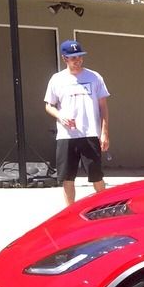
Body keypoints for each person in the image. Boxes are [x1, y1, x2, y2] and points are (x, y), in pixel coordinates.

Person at [44, 39, 110, 206]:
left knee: (96, 176)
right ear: (64, 58)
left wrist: (104, 133)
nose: (78, 60)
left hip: (90, 134)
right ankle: (70, 214)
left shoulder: (94, 77)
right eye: (73, 58)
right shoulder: (57, 79)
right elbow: (48, 105)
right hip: (66, 136)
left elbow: (103, 107)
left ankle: (106, 208)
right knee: (67, 178)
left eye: (80, 56)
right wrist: (60, 116)